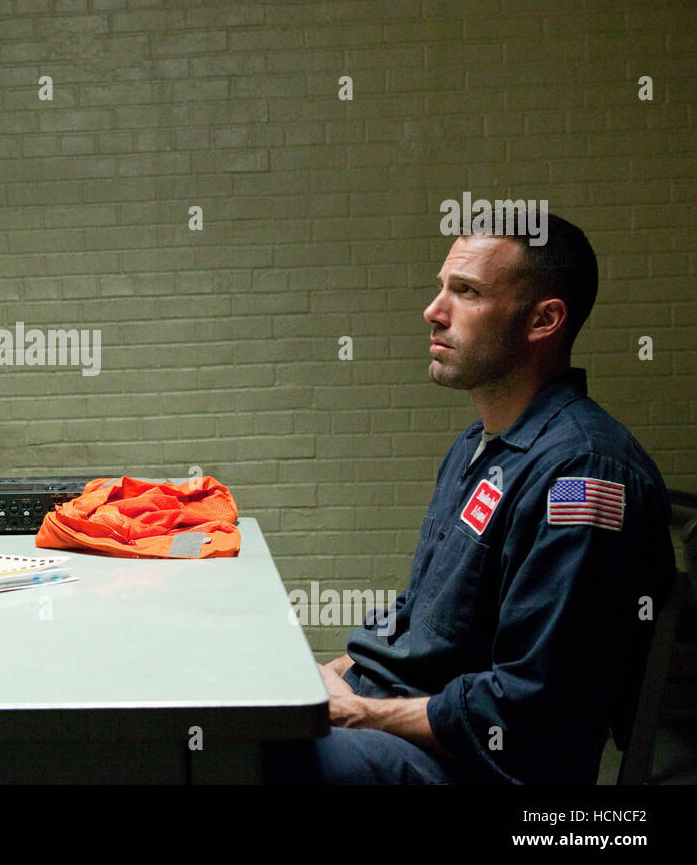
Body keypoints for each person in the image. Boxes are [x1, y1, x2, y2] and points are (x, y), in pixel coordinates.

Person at [264, 213, 675, 783]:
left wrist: (353, 712)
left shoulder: (583, 474)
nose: (434, 310)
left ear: (544, 320)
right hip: (401, 724)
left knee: (256, 757)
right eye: (442, 287)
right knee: (232, 711)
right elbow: (420, 621)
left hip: (475, 768)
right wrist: (324, 674)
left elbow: (533, 711)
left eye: (467, 292)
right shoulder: (477, 447)